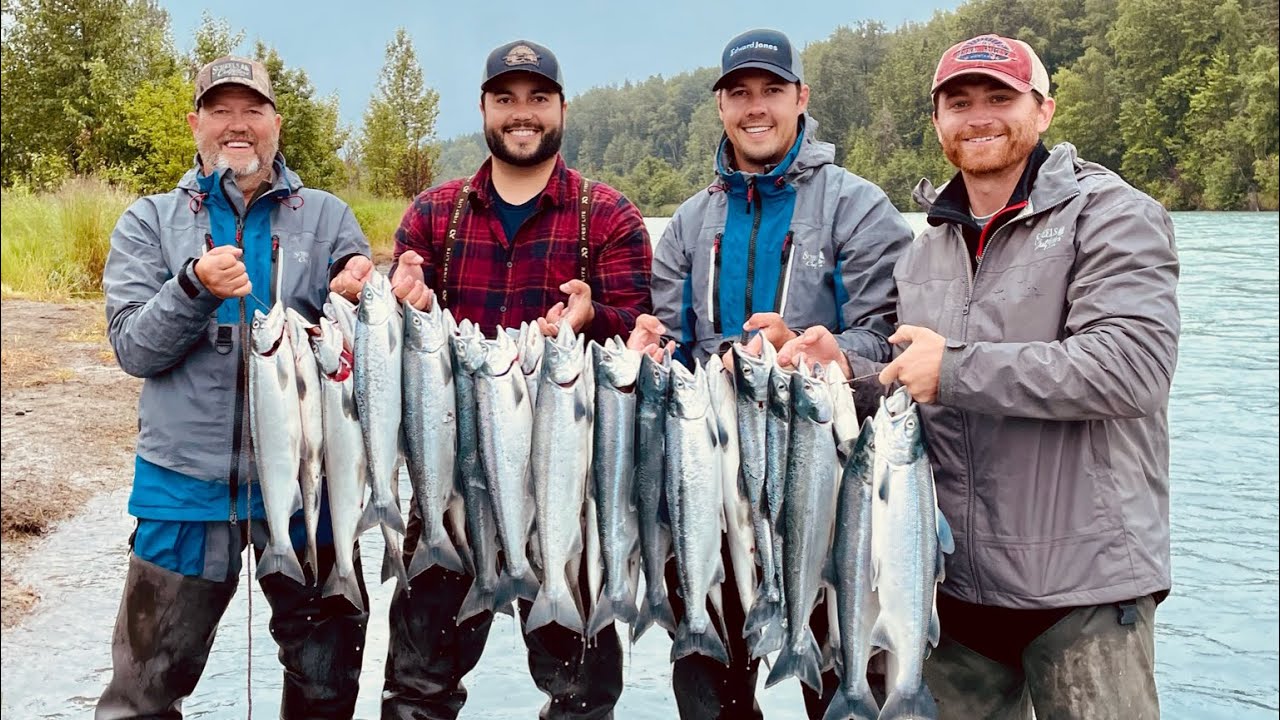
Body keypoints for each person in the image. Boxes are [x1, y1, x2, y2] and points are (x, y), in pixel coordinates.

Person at [781, 34, 1179, 720]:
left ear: (1044, 110)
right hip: (950, 592)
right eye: (958, 102)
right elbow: (916, 381)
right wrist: (849, 370)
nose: (979, 115)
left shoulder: (1114, 215)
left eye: (1001, 97)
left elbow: (1132, 367)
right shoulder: (926, 246)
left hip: (1083, 592)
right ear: (937, 122)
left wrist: (957, 370)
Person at [627, 28, 914, 720]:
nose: (756, 108)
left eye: (772, 91)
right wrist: (653, 346)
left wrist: (832, 351)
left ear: (801, 98)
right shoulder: (691, 221)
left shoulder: (860, 206)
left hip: (825, 488)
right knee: (708, 704)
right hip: (707, 490)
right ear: (721, 106)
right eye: (739, 93)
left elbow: (891, 338)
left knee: (844, 696)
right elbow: (670, 333)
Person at [97, 56, 377, 719]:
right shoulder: (149, 222)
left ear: (277, 123)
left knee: (327, 686)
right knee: (141, 694)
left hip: (313, 491)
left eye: (252, 110)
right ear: (195, 123)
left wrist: (365, 290)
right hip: (184, 487)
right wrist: (192, 287)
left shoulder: (330, 217)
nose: (237, 125)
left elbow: (362, 346)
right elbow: (135, 348)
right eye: (220, 110)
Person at [380, 39, 652, 720]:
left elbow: (637, 339)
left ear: (562, 108)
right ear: (484, 108)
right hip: (448, 490)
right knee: (417, 689)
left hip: (563, 493)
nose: (521, 114)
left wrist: (595, 320)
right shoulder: (432, 214)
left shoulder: (610, 216)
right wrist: (395, 302)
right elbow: (402, 335)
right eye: (506, 99)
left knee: (583, 698)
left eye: (537, 99)